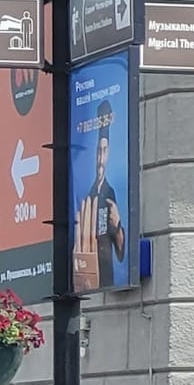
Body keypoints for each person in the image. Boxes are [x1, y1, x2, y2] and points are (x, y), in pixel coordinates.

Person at [74, 100, 128, 291]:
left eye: (104, 151)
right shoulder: (87, 195)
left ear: (108, 153)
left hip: (105, 279)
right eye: (98, 151)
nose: (100, 159)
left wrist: (117, 225)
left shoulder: (110, 193)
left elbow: (121, 253)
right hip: (88, 281)